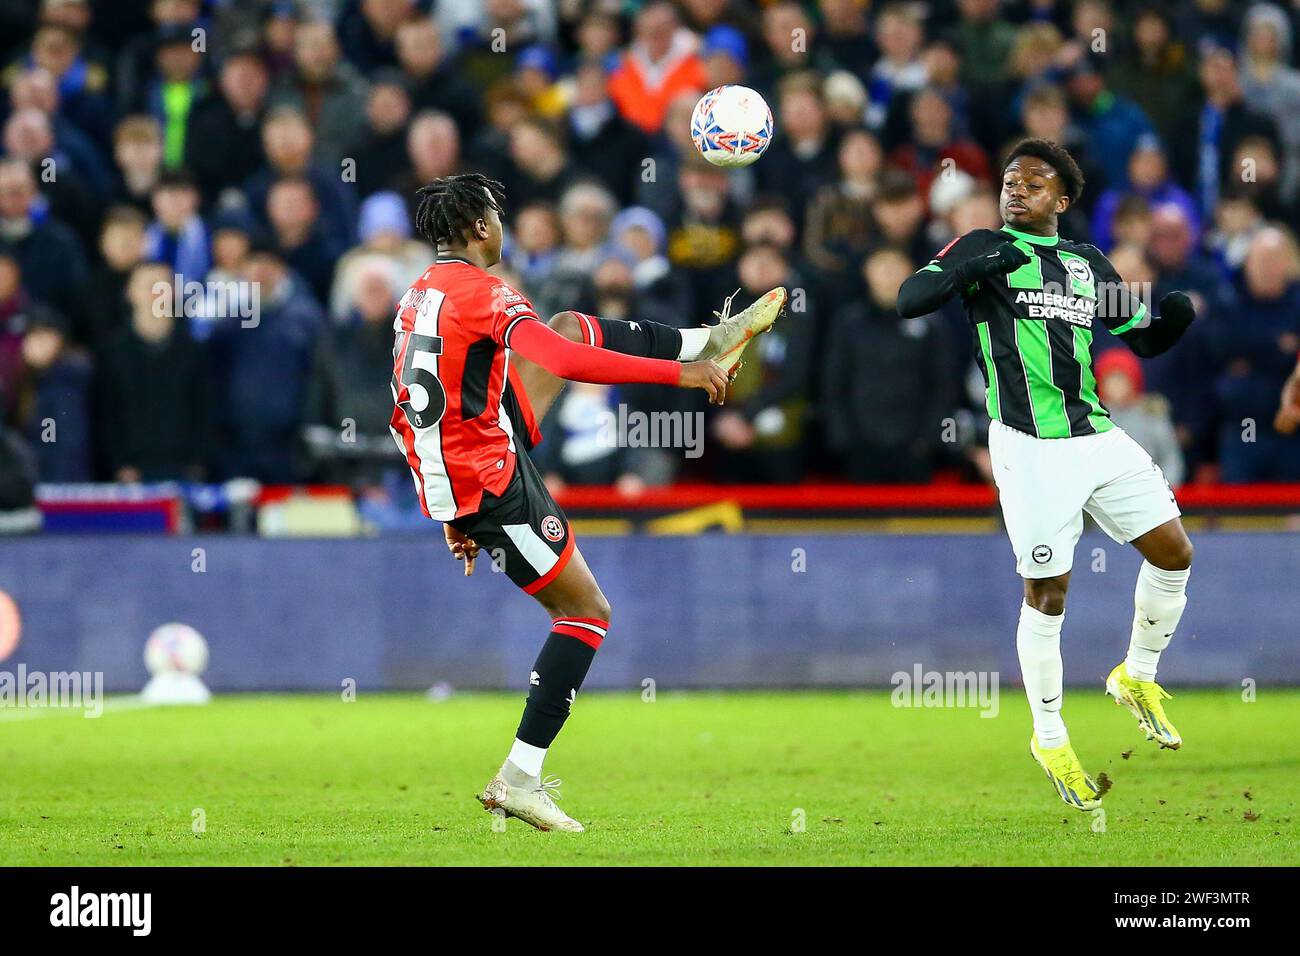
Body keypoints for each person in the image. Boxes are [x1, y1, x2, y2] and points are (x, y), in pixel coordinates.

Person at [391, 173, 785, 832]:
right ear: (483, 227)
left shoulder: (417, 296)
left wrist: (442, 501)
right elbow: (565, 363)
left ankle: (707, 339)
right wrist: (676, 377)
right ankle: (519, 779)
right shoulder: (486, 292)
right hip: (489, 482)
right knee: (585, 613)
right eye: (497, 213)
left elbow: (406, 406)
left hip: (474, 457)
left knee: (574, 319)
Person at [897, 138, 1197, 813]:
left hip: (1095, 434)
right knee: (1049, 593)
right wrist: (968, 266)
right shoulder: (981, 245)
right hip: (1029, 445)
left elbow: (1137, 333)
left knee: (1174, 551)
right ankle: (1051, 736)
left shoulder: (1085, 261)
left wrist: (1171, 323)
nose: (1016, 192)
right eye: (1009, 181)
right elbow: (910, 298)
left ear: (1061, 201)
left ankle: (1135, 676)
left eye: (1033, 184)